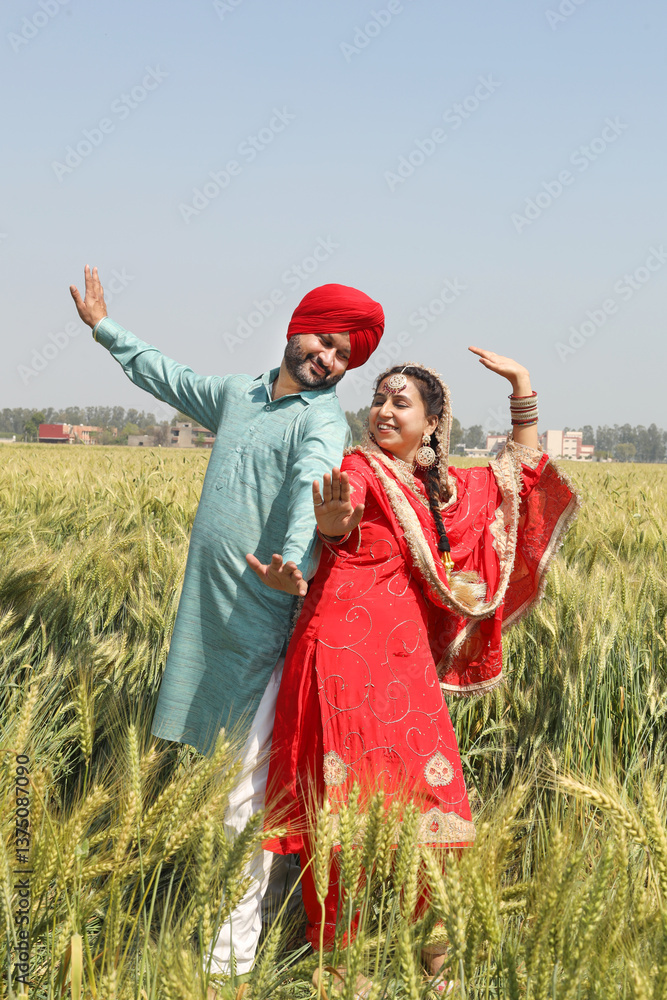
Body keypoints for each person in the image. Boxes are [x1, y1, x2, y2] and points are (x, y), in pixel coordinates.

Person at [68, 266, 386, 982]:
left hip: (264, 617)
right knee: (217, 772)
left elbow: (314, 486)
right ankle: (233, 918)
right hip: (205, 615)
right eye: (322, 340)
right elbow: (170, 378)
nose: (327, 357)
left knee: (246, 781)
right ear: (294, 328)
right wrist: (103, 329)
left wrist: (294, 563)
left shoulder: (321, 419)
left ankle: (229, 958)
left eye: (342, 353)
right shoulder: (240, 396)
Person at [254, 350, 579, 989]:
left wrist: (522, 388)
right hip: (341, 656)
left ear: (432, 423)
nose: (382, 411)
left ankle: (440, 970)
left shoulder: (441, 490)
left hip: (403, 666)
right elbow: (334, 524)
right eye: (379, 399)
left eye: (400, 403)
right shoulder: (358, 469)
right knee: (339, 809)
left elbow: (517, 473)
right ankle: (333, 968)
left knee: (433, 803)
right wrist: (331, 526)